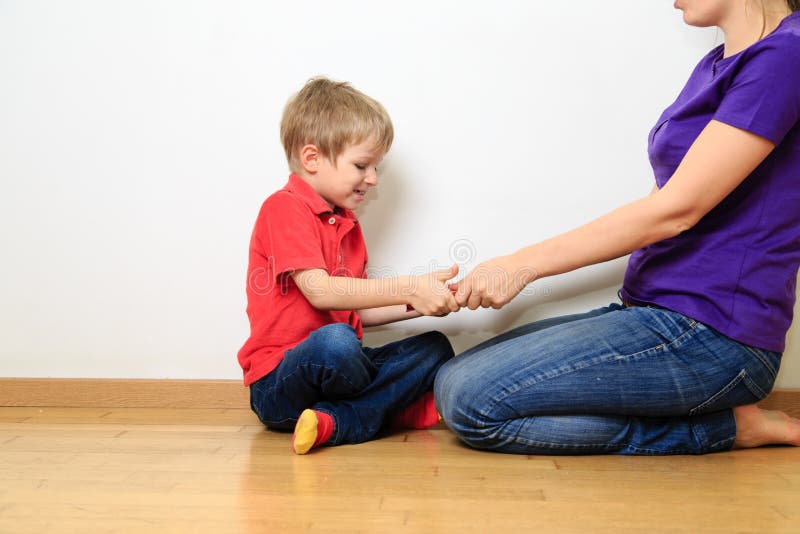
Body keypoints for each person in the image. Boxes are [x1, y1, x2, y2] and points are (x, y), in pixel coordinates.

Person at [435, 0, 800, 455]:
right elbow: (661, 202)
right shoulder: (717, 64)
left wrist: (521, 265)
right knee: (450, 380)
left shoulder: (787, 55)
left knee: (472, 403)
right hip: (651, 311)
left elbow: (676, 211)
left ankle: (723, 429)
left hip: (712, 334)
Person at [239, 77, 459, 454]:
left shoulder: (348, 226)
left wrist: (422, 301)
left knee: (435, 348)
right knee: (337, 343)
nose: (372, 179)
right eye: (361, 165)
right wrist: (409, 286)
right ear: (312, 159)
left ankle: (335, 420)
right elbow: (321, 292)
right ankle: (384, 409)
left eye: (376, 168)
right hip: (280, 383)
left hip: (338, 373)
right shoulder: (284, 207)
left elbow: (357, 312)